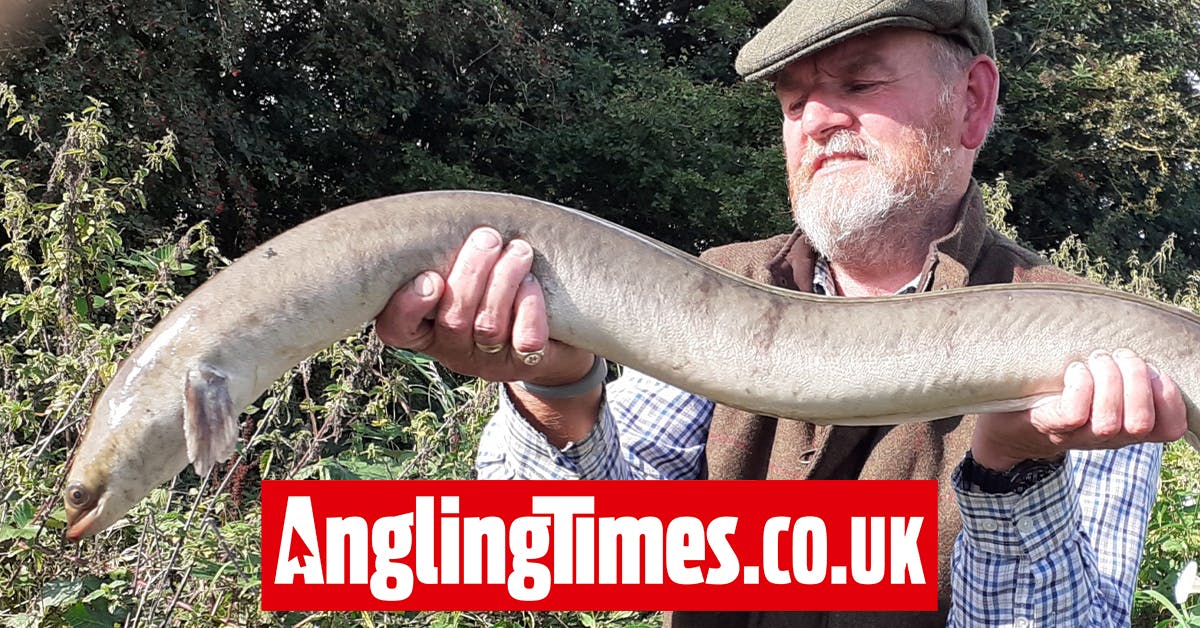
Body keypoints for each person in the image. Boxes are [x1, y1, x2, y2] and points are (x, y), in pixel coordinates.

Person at [375, 1, 1190, 625]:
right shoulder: (716, 292)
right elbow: (569, 554)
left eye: (858, 83)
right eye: (794, 101)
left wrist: (1013, 470)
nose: (817, 120)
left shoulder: (1088, 343)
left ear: (972, 102)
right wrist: (557, 392)